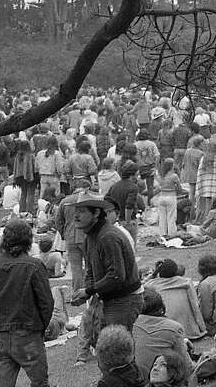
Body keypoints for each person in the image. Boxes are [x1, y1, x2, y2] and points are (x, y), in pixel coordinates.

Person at [0, 219, 54, 387]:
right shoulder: (34, 266)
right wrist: (40, 327)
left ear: (3, 240)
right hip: (28, 332)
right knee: (40, 382)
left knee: (4, 384)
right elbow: (47, 303)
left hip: (1, 334)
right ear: (29, 241)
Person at [69, 190, 143, 329]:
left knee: (116, 346)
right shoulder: (90, 237)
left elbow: (116, 275)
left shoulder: (108, 237)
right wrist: (87, 292)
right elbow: (90, 270)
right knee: (102, 342)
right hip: (108, 297)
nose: (76, 215)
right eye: (76, 211)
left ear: (96, 213)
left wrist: (89, 291)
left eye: (82, 211)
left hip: (124, 300)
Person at [131, 290, 191, 382]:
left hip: (136, 379)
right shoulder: (174, 327)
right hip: (162, 379)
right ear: (161, 307)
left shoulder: (130, 324)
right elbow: (186, 365)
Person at [153, 159, 180, 238]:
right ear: (172, 166)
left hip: (161, 197)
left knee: (162, 217)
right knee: (171, 216)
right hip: (171, 196)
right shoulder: (174, 176)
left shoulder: (161, 176)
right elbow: (179, 188)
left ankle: (163, 234)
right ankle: (171, 234)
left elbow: (159, 185)